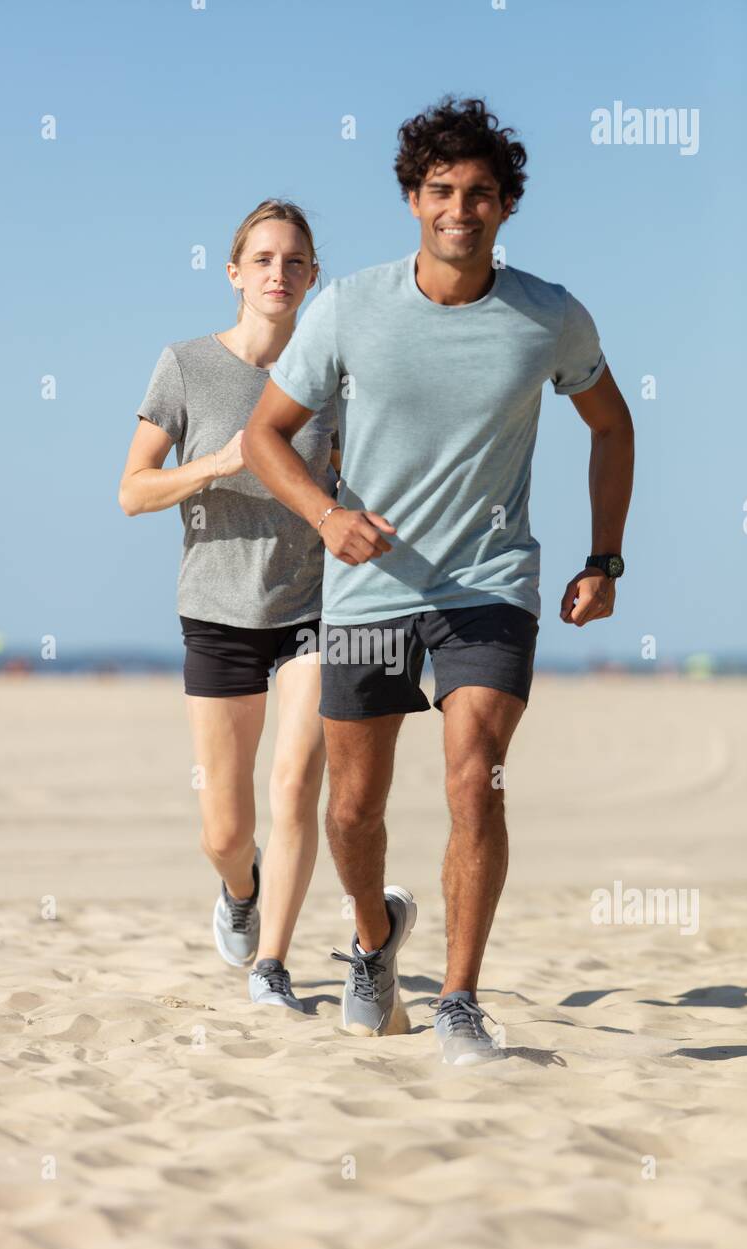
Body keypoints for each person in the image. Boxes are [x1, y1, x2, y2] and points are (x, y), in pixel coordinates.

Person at [241, 96, 635, 1063]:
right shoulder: (348, 308)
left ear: (507, 208)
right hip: (373, 593)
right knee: (351, 809)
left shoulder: (548, 315)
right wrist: (327, 516)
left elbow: (614, 426)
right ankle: (376, 943)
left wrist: (604, 556)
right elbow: (263, 436)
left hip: (490, 583)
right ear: (413, 199)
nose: (462, 209)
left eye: (482, 195)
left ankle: (460, 997)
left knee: (476, 780)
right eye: (442, 191)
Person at [119, 200, 340, 1010]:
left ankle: (272, 968)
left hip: (314, 608)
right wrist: (216, 462)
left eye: (296, 262)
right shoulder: (184, 365)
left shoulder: (334, 376)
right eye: (264, 260)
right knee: (225, 830)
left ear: (314, 277)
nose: (279, 274)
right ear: (235, 274)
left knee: (295, 787)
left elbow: (355, 482)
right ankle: (239, 892)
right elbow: (132, 490)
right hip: (216, 613)